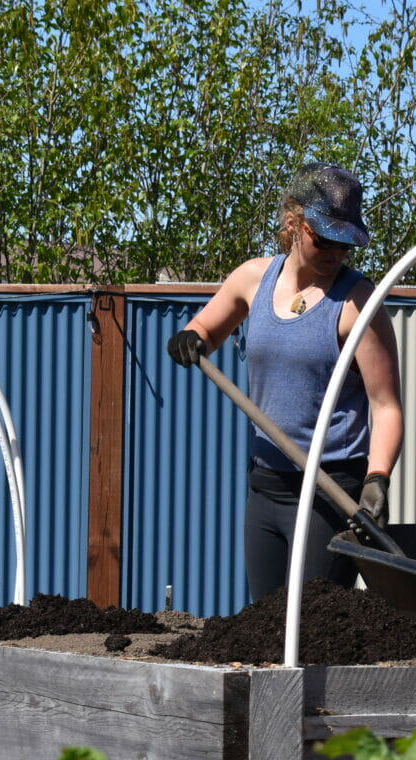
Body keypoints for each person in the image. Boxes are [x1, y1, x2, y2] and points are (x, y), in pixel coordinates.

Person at [166, 163, 403, 602]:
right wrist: (191, 338)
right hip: (266, 484)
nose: (336, 253)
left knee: (311, 619)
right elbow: (206, 330)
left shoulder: (356, 303)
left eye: (345, 244)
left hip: (329, 490)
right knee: (266, 620)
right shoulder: (254, 279)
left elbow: (386, 405)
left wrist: (377, 478)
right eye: (324, 239)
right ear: (294, 222)